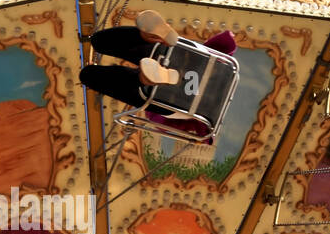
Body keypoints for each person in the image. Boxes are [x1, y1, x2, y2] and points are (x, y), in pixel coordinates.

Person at [79, 10, 237, 140]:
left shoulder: (231, 70)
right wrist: (151, 116)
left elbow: (225, 43)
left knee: (99, 41)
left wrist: (229, 38)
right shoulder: (207, 125)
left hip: (181, 55)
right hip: (171, 99)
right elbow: (174, 127)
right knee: (89, 76)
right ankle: (150, 79)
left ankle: (153, 37)